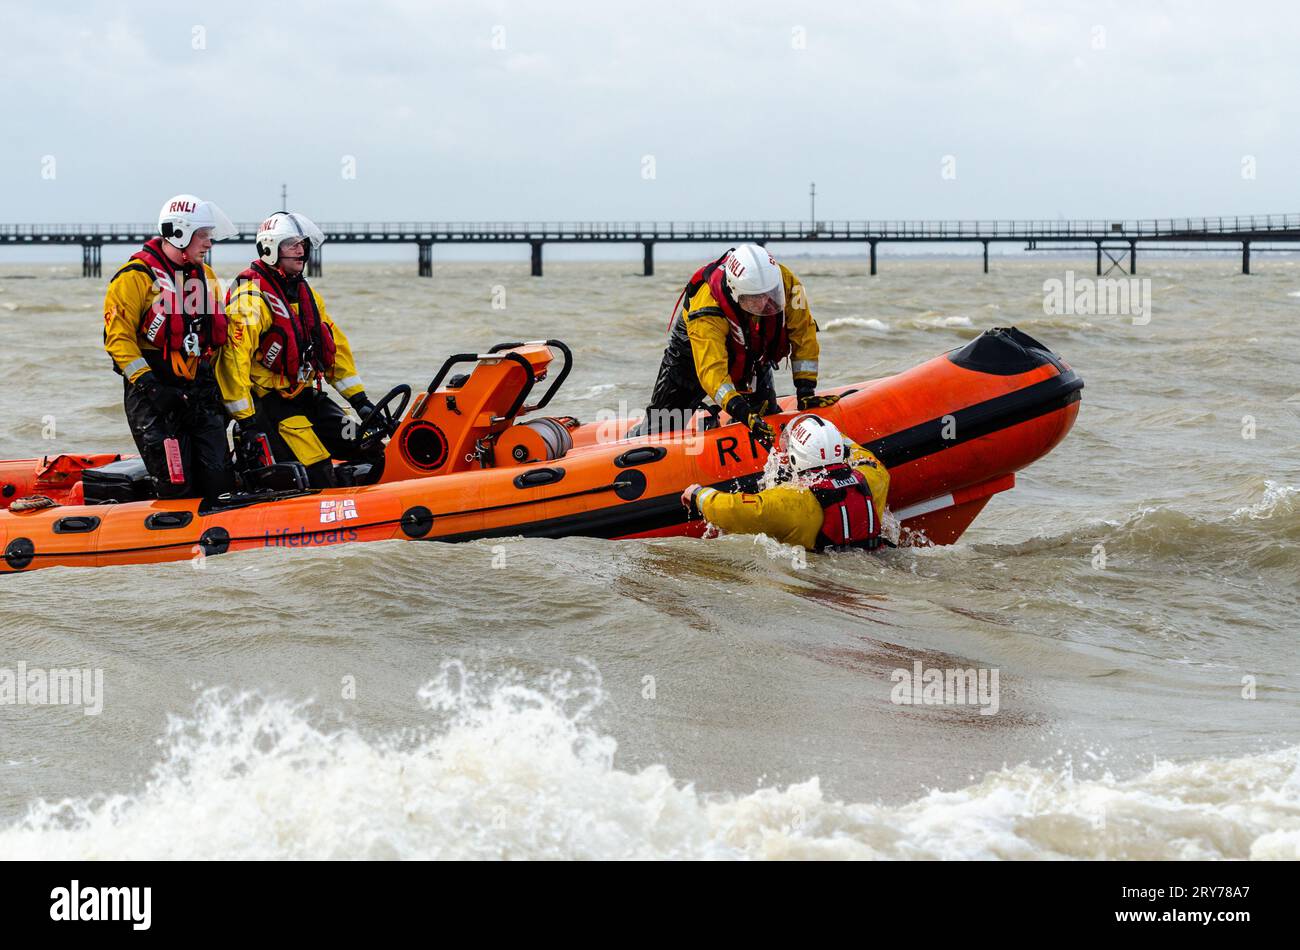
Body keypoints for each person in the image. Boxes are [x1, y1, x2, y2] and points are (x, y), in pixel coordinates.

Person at [217, 212, 376, 488]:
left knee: (366, 444)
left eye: (302, 243)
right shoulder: (250, 300)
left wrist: (360, 400)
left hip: (306, 396)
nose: (301, 250)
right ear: (270, 249)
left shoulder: (307, 295)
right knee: (319, 470)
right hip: (269, 404)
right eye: (291, 244)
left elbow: (333, 349)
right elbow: (233, 362)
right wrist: (247, 421)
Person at [103, 194, 237, 505]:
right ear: (180, 234)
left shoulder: (206, 277)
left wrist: (222, 393)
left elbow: (215, 339)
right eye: (203, 236)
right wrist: (152, 389)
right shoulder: (134, 278)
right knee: (178, 486)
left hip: (197, 392)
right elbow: (118, 340)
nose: (209, 244)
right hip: (154, 398)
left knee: (221, 479)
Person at [637, 243, 839, 446]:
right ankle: (637, 438)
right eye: (754, 298)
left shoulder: (787, 283)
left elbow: (804, 334)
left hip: (753, 349)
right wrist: (740, 410)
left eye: (768, 295)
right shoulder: (706, 311)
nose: (762, 304)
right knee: (661, 426)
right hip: (690, 350)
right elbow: (712, 372)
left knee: (766, 414)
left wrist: (806, 390)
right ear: (735, 292)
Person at [680, 414, 889, 552]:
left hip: (825, 580)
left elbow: (734, 510)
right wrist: (832, 436)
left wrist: (698, 494)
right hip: (873, 559)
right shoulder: (873, 478)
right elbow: (865, 457)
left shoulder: (790, 501)